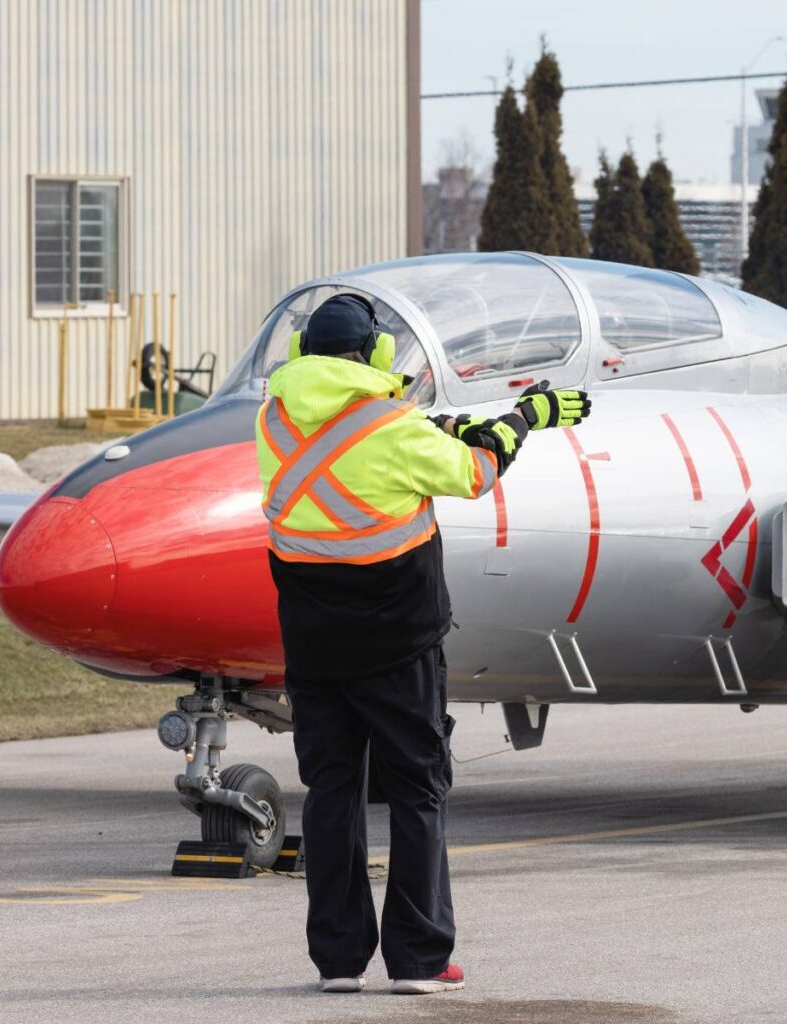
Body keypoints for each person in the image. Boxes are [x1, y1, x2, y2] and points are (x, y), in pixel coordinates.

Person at [254, 293, 590, 995]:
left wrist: (440, 425)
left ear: (303, 354)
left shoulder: (274, 420)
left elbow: (358, 440)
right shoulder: (392, 426)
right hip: (397, 645)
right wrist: (524, 418)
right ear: (377, 354)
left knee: (331, 793)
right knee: (417, 791)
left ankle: (338, 961)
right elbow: (475, 472)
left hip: (313, 647)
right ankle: (419, 959)